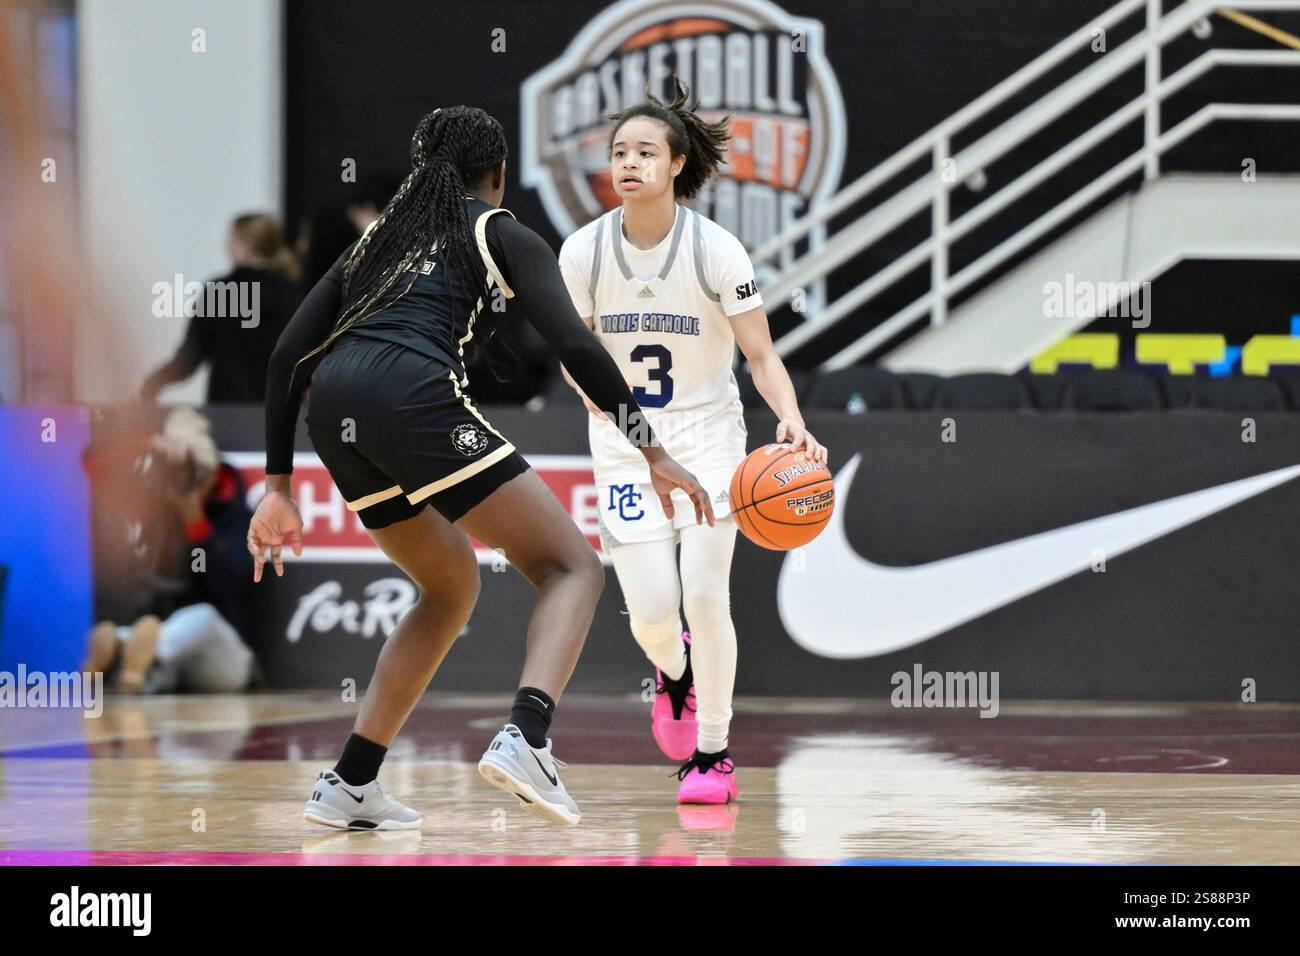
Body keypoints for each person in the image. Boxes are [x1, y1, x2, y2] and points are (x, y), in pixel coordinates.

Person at [250, 105, 714, 830]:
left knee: (448, 586)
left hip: (334, 405)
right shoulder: (497, 229)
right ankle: (527, 736)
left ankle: (352, 780)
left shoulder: (375, 240)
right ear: (495, 175)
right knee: (573, 568)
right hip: (409, 394)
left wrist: (278, 488)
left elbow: (285, 357)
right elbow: (579, 349)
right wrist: (651, 448)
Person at [557, 78, 828, 805]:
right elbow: (574, 361)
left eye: (646, 150)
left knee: (706, 595)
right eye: (619, 151)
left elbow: (762, 357)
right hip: (626, 447)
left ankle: (713, 753)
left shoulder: (717, 250)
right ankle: (672, 671)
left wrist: (792, 418)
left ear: (676, 164)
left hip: (710, 442)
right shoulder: (583, 252)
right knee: (652, 609)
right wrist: (637, 438)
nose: (629, 163)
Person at [82, 406, 258, 694]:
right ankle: (128, 655)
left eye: (195, 474)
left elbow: (229, 586)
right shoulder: (155, 510)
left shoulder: (238, 518)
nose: (187, 483)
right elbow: (92, 462)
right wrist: (149, 443)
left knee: (203, 616)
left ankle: (131, 644)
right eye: (177, 473)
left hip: (223, 663)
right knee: (147, 676)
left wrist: (196, 523)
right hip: (172, 666)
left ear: (214, 474)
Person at [142, 213, 304, 404]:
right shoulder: (292, 295)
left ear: (244, 244)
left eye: (231, 239)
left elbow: (189, 358)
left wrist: (153, 383)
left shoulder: (219, 294)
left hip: (226, 414)